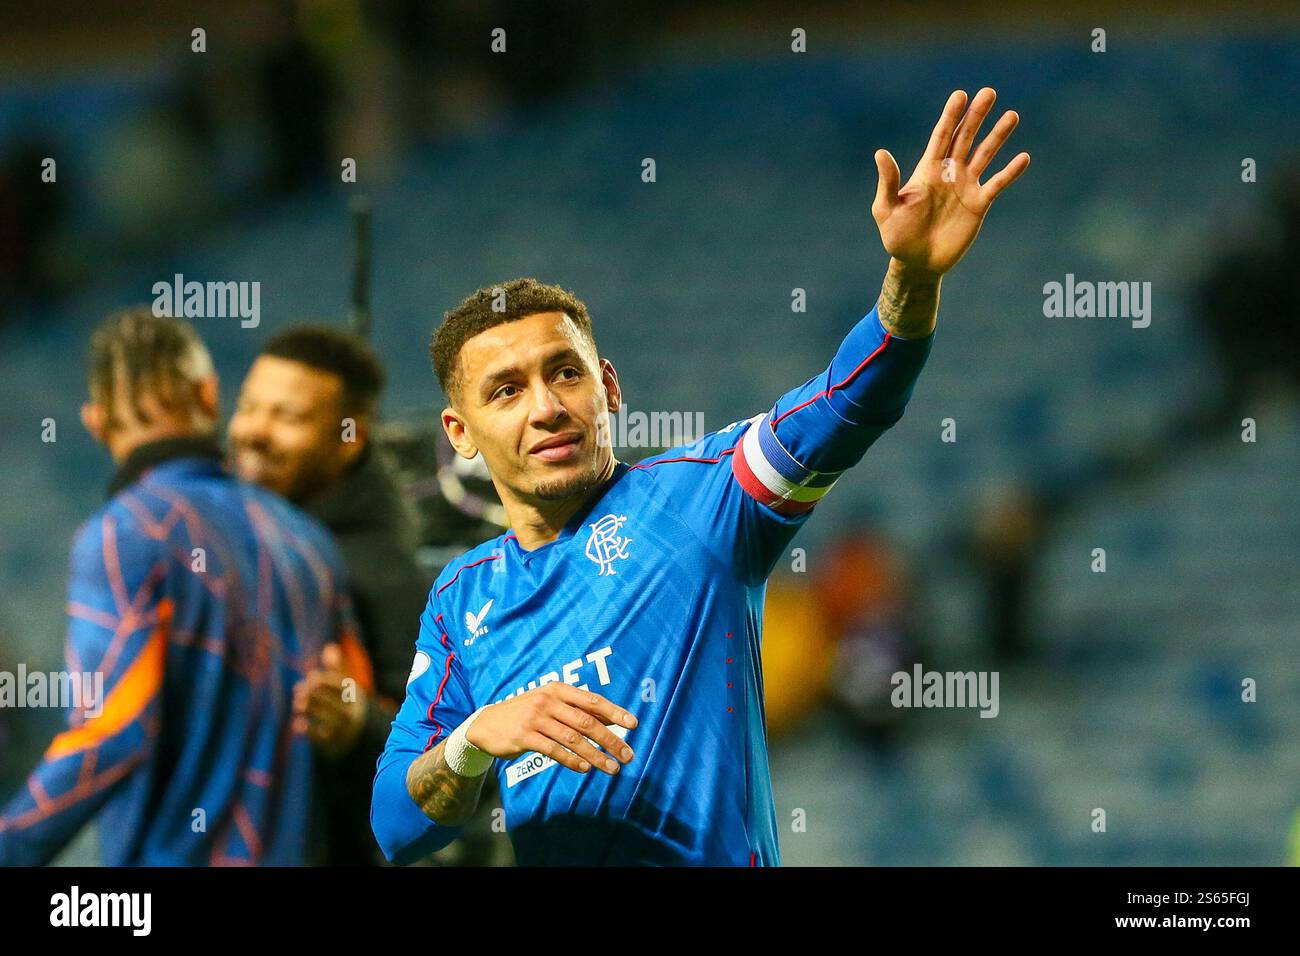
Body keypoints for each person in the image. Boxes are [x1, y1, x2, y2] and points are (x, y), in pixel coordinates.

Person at [372, 88, 1030, 865]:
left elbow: (850, 400)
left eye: (565, 374)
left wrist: (910, 279)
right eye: (507, 391)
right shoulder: (464, 597)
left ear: (609, 388)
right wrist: (476, 741)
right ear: (460, 434)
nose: (547, 407)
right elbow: (396, 826)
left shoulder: (699, 499)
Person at [0, 309, 362, 865]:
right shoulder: (309, 540)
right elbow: (358, 710)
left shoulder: (123, 532)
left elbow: (112, 732)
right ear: (210, 396)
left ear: (97, 422)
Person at [228, 325, 431, 864]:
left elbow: (448, 762)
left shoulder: (382, 576)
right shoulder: (243, 535)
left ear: (351, 439)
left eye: (287, 417)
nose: (254, 432)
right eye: (249, 407)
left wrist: (357, 728)